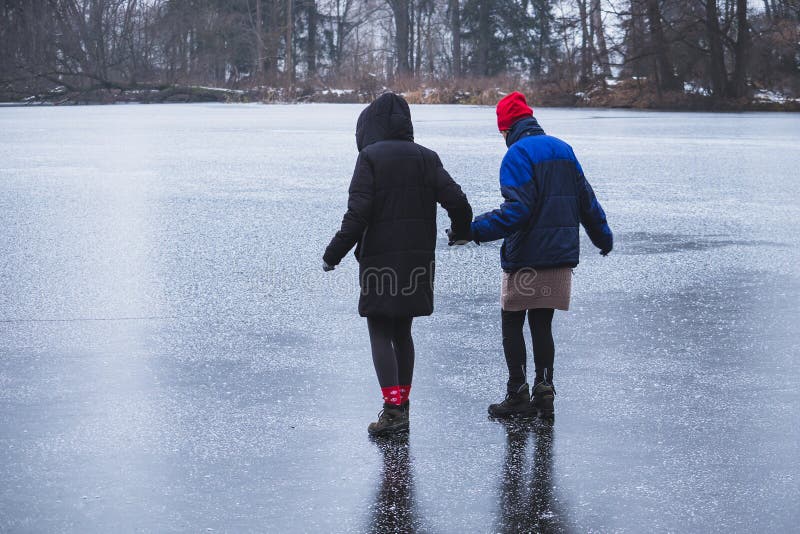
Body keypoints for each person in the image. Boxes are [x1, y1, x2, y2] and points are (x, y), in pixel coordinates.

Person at [449, 91, 612, 420]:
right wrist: (602, 236)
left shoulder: (517, 155)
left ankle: (517, 393)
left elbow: (517, 212)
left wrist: (472, 230)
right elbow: (587, 202)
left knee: (512, 320)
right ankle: (545, 391)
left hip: (527, 257)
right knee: (542, 323)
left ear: (506, 128)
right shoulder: (564, 150)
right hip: (560, 255)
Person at [323, 93, 472, 436]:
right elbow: (458, 201)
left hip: (379, 261)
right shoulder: (427, 158)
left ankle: (392, 411)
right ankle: (401, 405)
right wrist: (462, 232)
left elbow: (357, 214)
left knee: (379, 329)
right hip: (417, 260)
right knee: (403, 331)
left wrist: (333, 254)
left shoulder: (370, 158)